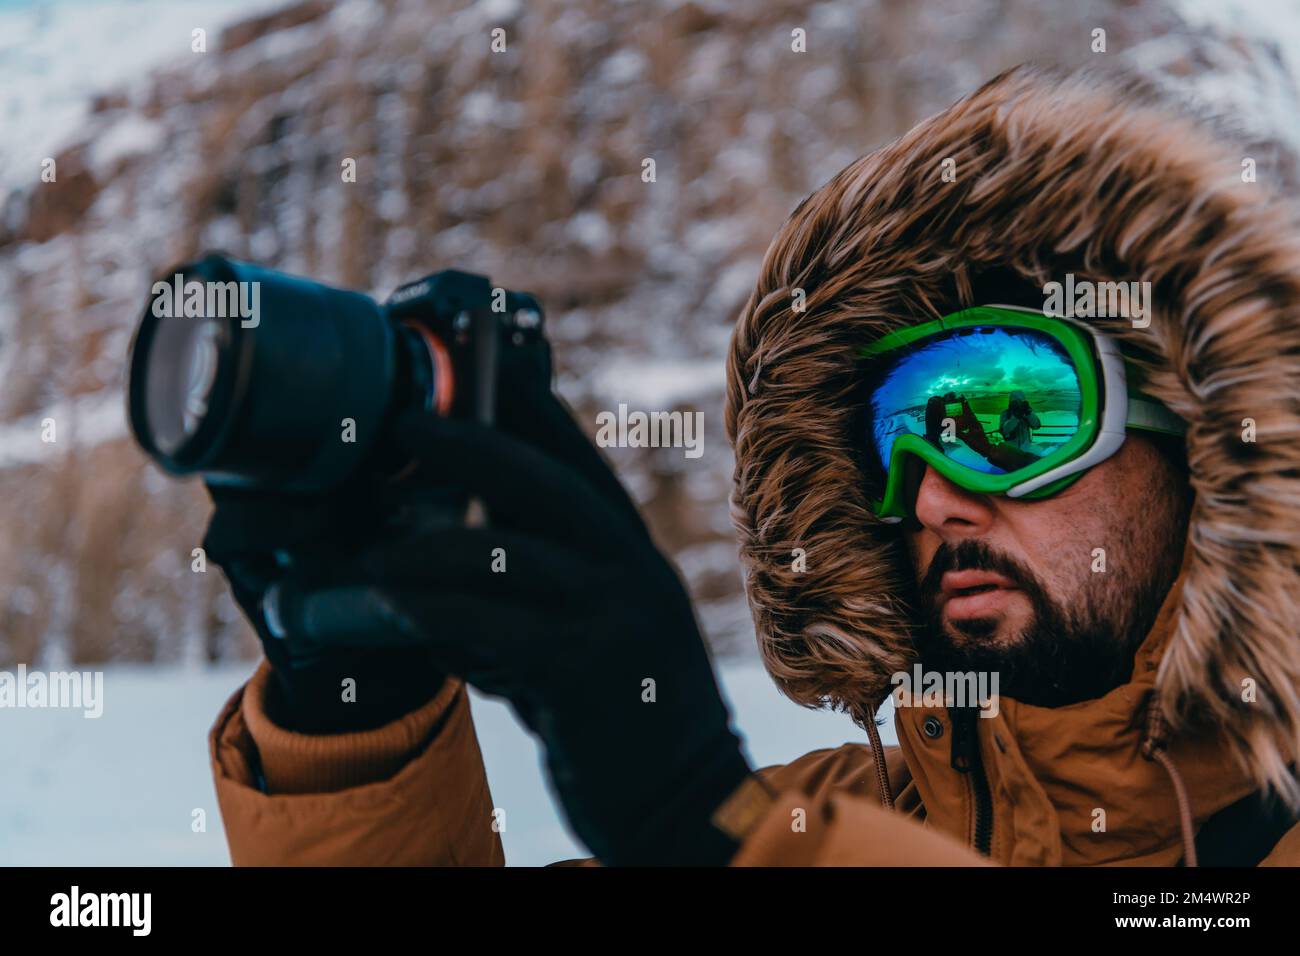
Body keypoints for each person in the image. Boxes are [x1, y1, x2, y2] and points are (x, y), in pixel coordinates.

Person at [204, 65, 1300, 865]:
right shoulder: (797, 816)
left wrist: (711, 829)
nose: (929, 491)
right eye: (895, 428)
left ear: (1202, 442)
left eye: (1015, 413)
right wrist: (348, 719)